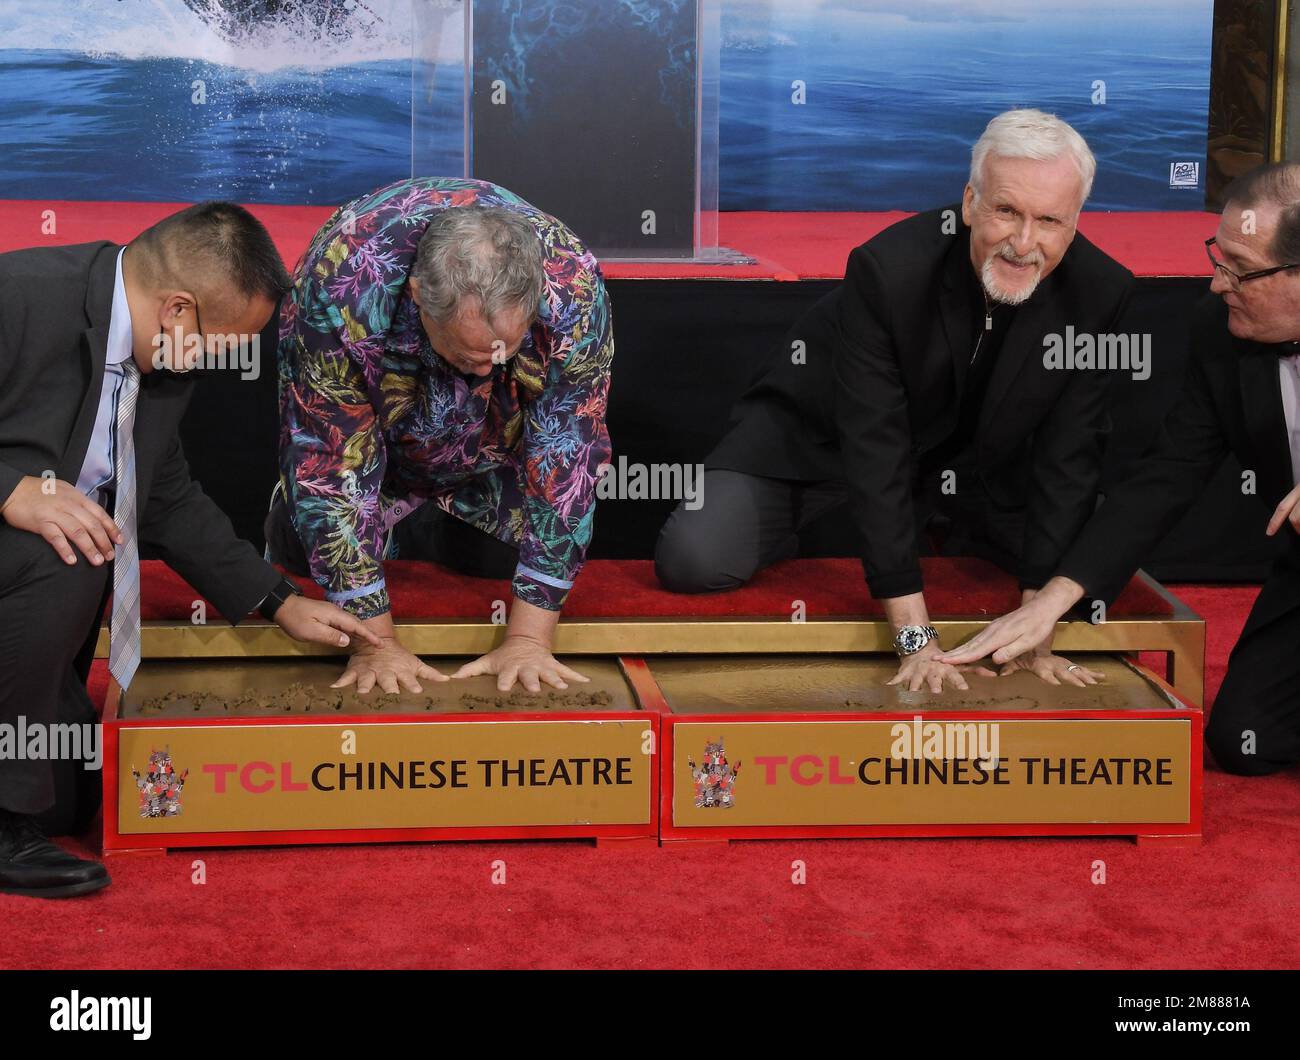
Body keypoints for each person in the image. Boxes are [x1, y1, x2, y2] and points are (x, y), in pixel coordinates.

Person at [655, 109, 1133, 693]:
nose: (1024, 242)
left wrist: (1038, 631)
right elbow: (873, 442)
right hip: (825, 445)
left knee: (1094, 566)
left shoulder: (1099, 293)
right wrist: (913, 636)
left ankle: (943, 527)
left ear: (1076, 221)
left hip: (970, 469)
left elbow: (1070, 456)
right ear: (970, 200)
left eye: (1050, 220)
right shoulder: (891, 270)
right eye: (1006, 211)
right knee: (696, 557)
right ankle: (820, 531)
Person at [0, 202, 381, 897]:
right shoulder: (19, 296)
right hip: (30, 554)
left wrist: (278, 600)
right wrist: (11, 491)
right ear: (177, 309)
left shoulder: (161, 360)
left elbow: (166, 494)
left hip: (37, 583)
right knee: (67, 542)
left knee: (66, 798)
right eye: (225, 341)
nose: (226, 359)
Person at [938, 162, 1300, 776]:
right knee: (1246, 738)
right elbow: (1168, 477)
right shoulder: (1221, 331)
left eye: (1240, 270)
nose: (1217, 284)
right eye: (1220, 258)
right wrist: (1052, 599)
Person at [266, 177, 614, 696]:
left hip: (489, 453)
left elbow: (569, 451)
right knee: (301, 547)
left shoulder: (573, 288)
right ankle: (384, 518)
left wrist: (528, 640)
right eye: (471, 354)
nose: (490, 365)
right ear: (417, 297)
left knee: (496, 563)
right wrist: (375, 646)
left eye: (504, 351)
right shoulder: (342, 280)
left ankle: (426, 522)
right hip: (379, 444)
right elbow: (333, 457)